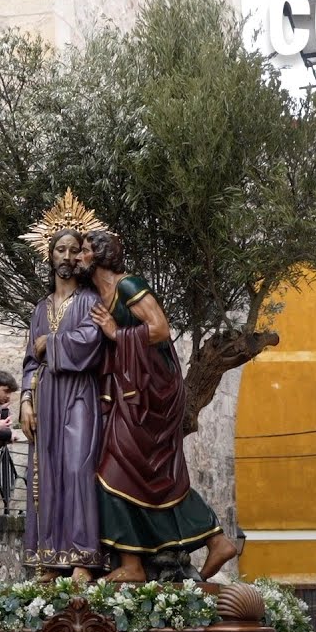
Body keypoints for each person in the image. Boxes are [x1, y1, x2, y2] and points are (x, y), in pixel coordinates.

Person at [79, 229, 237, 582]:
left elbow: (160, 330)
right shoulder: (96, 295)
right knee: (142, 474)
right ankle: (204, 543)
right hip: (129, 389)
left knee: (117, 470)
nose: (79, 256)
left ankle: (141, 563)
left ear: (102, 254)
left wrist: (116, 334)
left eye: (85, 250)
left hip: (153, 392)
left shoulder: (129, 285)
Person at [18, 218, 107, 582]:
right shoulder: (40, 308)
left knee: (77, 467)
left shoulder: (90, 301)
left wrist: (49, 345)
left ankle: (84, 557)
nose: (67, 257)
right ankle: (51, 559)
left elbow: (92, 341)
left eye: (73, 250)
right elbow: (28, 360)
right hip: (45, 395)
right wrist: (24, 401)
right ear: (49, 255)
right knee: (46, 471)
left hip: (78, 392)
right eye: (60, 250)